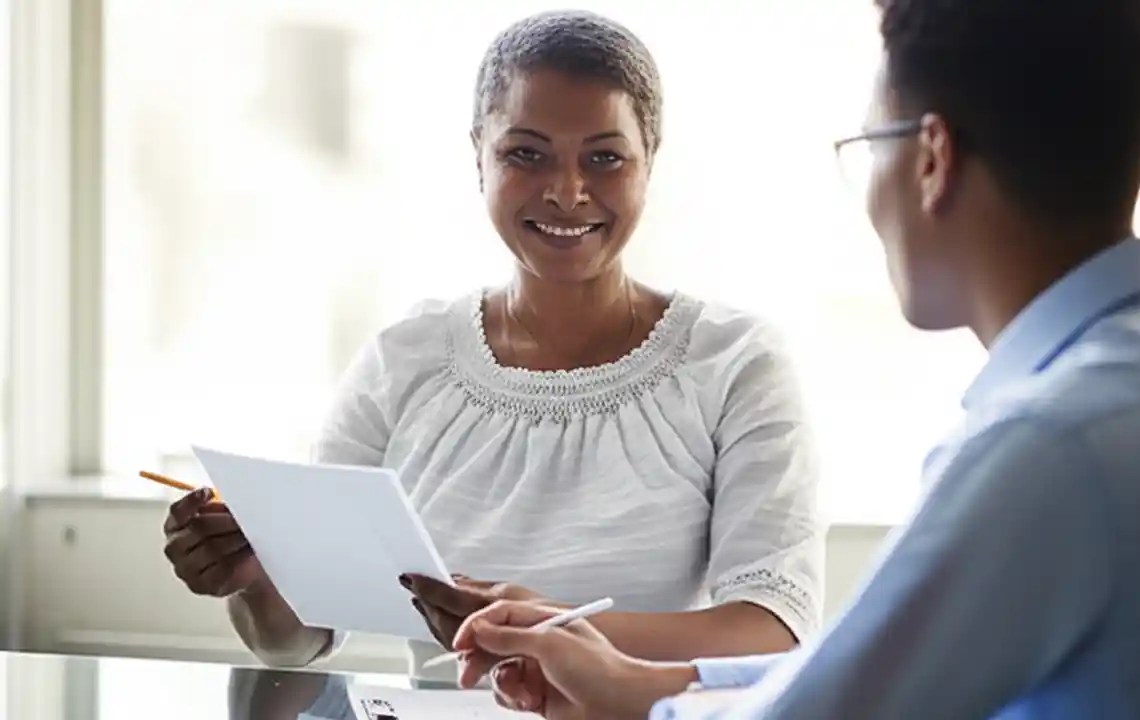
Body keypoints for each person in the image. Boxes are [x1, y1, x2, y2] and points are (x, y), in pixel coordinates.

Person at [449, 0, 1140, 717]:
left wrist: (649, 701)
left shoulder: (1054, 444)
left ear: (930, 157)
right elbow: (862, 678)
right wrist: (643, 687)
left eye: (868, 142)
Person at [160, 9, 824, 675]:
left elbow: (775, 629)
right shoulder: (403, 361)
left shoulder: (735, 364)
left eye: (606, 157)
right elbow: (298, 638)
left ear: (649, 162)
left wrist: (551, 633)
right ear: (479, 154)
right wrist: (252, 575)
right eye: (525, 154)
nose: (567, 191)